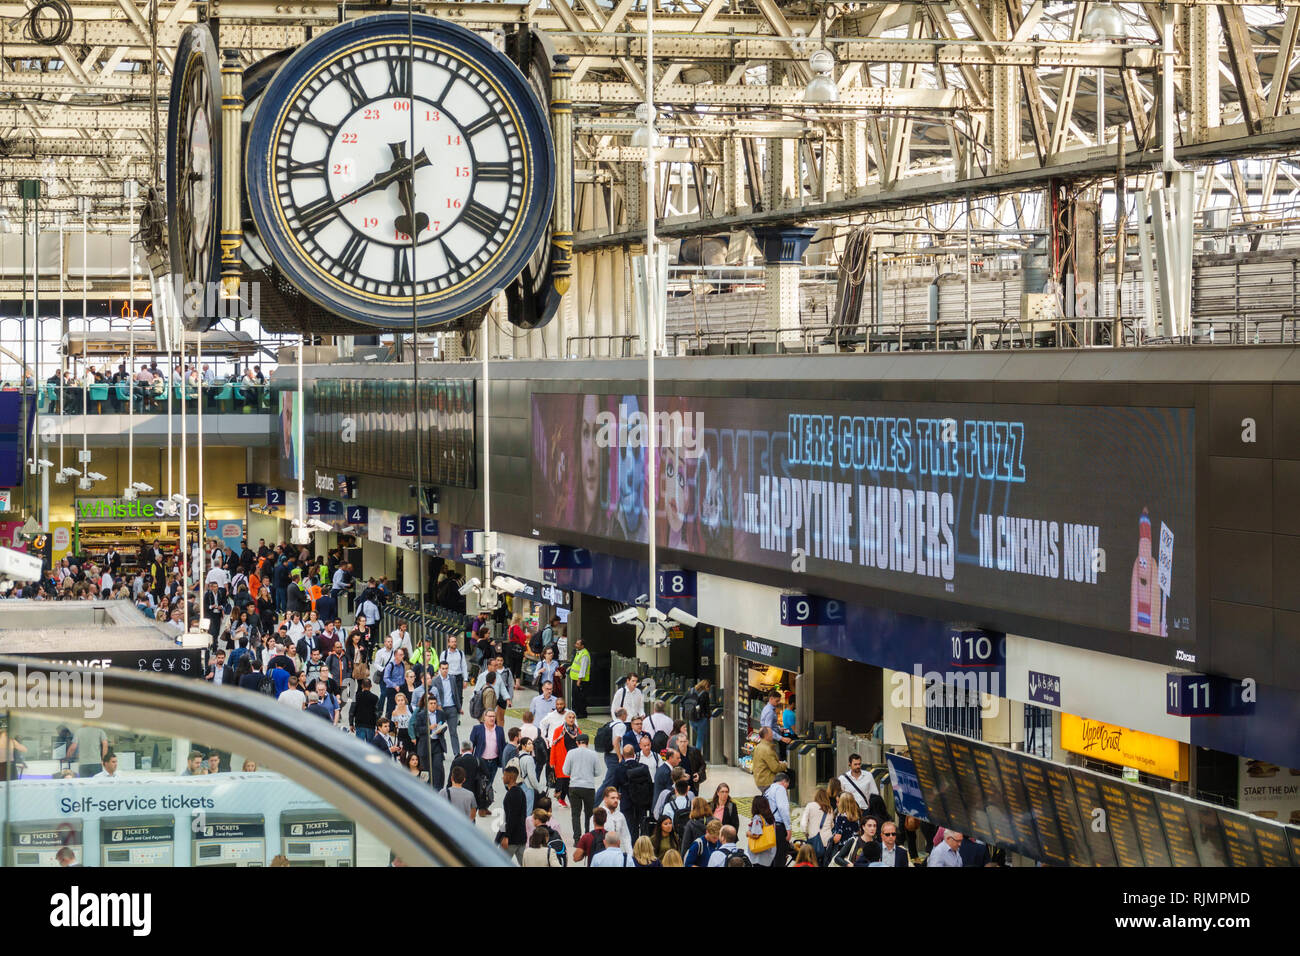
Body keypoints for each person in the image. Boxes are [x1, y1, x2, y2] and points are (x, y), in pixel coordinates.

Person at [561, 732, 603, 837]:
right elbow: (598, 772)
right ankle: (588, 835)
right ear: (588, 743)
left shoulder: (571, 753)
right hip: (589, 787)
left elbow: (565, 771)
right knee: (589, 814)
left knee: (575, 814)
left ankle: (577, 837)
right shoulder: (593, 754)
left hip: (574, 786)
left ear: (577, 742)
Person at [470, 709, 506, 801]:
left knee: (489, 785)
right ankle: (480, 806)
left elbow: (503, 746)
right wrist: (470, 759)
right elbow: (471, 745)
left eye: (493, 716)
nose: (492, 718)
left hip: (494, 762)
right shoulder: (477, 729)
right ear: (484, 718)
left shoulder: (499, 730)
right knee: (480, 784)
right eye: (489, 716)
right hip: (481, 761)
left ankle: (485, 806)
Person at [799, 787, 836, 865]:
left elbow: (803, 823)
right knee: (825, 862)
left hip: (813, 839)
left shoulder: (810, 805)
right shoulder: (830, 808)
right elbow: (832, 825)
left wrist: (805, 833)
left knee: (813, 862)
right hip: (827, 840)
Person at [499, 766, 528, 863]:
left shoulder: (512, 794)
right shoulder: (520, 792)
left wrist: (506, 836)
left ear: (510, 777)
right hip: (521, 836)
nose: (503, 777)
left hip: (512, 839)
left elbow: (512, 817)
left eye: (504, 775)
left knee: (499, 862)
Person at [765, 772, 794, 866]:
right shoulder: (780, 789)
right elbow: (783, 808)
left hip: (768, 827)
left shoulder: (767, 790)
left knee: (771, 858)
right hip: (778, 828)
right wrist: (788, 828)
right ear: (784, 781)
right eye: (787, 785)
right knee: (780, 857)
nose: (786, 788)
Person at [744, 794, 778, 867]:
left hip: (759, 856)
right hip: (769, 854)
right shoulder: (770, 817)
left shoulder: (758, 818)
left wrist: (748, 833)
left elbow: (756, 834)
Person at [597, 786, 634, 853]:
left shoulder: (620, 816)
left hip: (619, 854)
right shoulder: (598, 814)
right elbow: (593, 836)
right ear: (605, 799)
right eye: (613, 798)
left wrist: (630, 854)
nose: (616, 800)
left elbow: (626, 836)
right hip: (603, 853)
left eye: (617, 798)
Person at [750, 727, 788, 791]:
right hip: (767, 782)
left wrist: (778, 763)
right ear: (766, 735)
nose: (772, 735)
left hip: (760, 780)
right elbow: (775, 768)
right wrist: (785, 765)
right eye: (771, 733)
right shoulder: (767, 749)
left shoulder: (759, 746)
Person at [567, 638, 591, 717]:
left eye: (577, 644)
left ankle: (581, 713)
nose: (575, 645)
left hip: (581, 680)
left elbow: (582, 669)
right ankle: (576, 712)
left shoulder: (584, 655)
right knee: (575, 696)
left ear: (582, 646)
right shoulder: (579, 652)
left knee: (580, 698)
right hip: (576, 679)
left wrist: (579, 680)